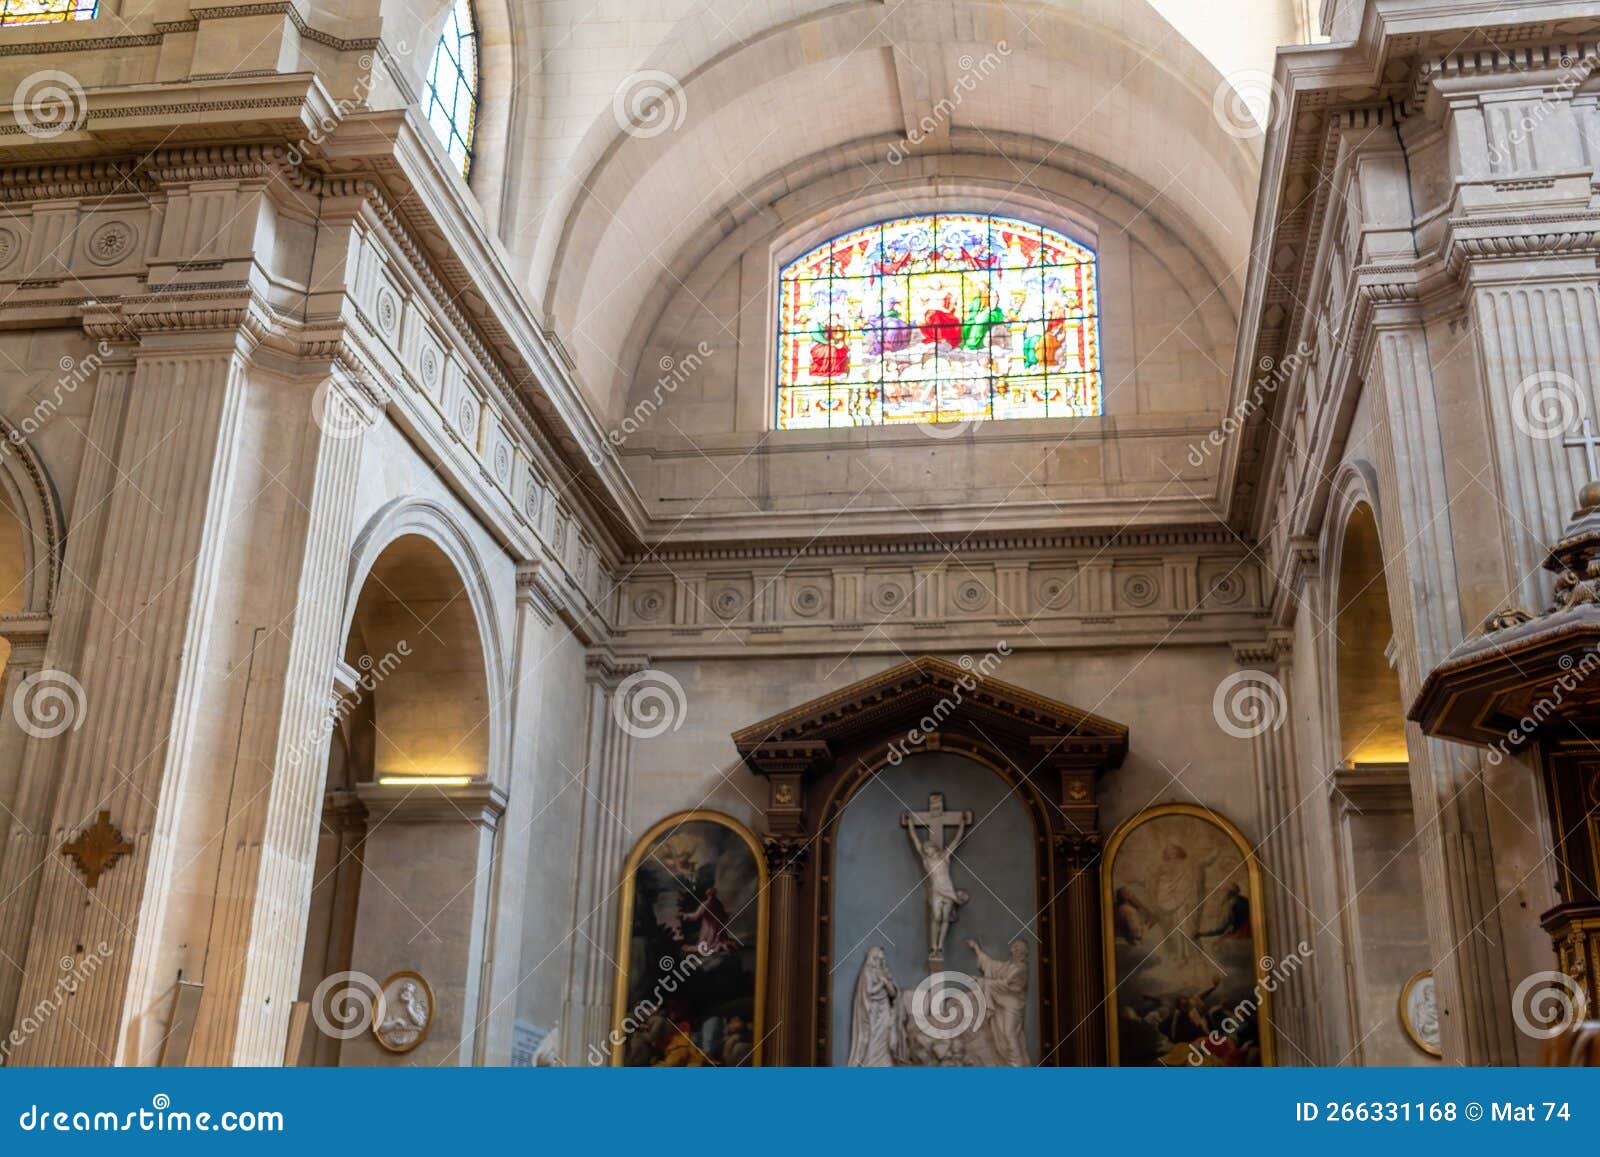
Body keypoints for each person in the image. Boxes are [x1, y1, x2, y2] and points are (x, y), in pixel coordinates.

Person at [967, 939, 1030, 1066]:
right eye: (1013, 947)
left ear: (1022, 953)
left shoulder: (1020, 968)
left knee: (1009, 1035)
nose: (1012, 950)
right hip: (1002, 1003)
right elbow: (991, 965)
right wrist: (977, 949)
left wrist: (980, 981)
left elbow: (1004, 984)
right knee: (1000, 1035)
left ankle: (1018, 1066)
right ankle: (1008, 1064)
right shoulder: (1008, 966)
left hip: (1012, 1005)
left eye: (1016, 948)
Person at [846, 946, 903, 1066]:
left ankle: (885, 1064)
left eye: (882, 959)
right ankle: (870, 1063)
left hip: (885, 1008)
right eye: (878, 959)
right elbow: (869, 991)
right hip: (873, 1009)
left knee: (885, 1037)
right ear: (872, 958)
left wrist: (887, 983)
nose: (881, 962)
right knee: (873, 1036)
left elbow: (893, 993)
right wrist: (882, 983)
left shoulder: (885, 972)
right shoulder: (867, 972)